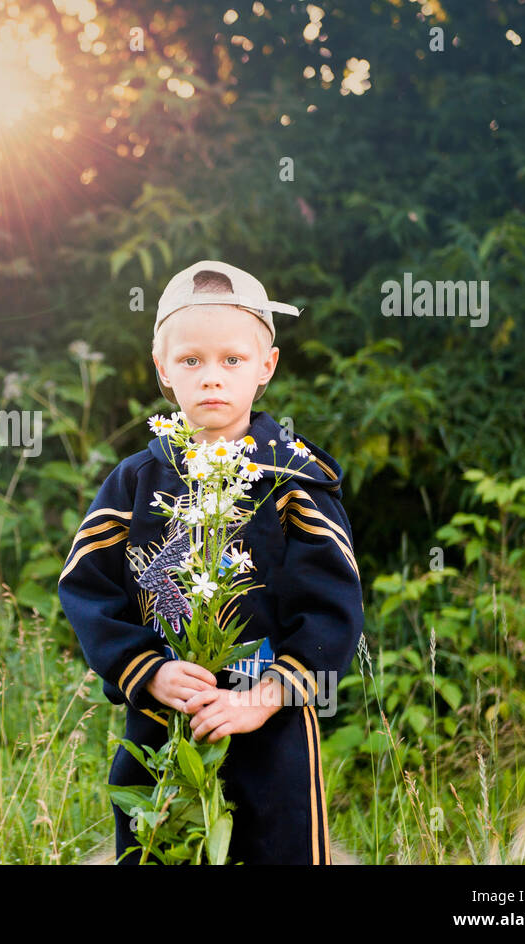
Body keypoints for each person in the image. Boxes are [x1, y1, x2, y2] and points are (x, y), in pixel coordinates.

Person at [57, 260, 365, 864]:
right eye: (191, 361)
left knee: (276, 851)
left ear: (266, 367)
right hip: (165, 723)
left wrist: (267, 697)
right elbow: (86, 589)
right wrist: (145, 669)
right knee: (159, 848)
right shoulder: (137, 481)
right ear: (163, 369)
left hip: (269, 726)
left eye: (232, 360)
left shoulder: (290, 482)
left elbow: (333, 611)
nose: (212, 379)